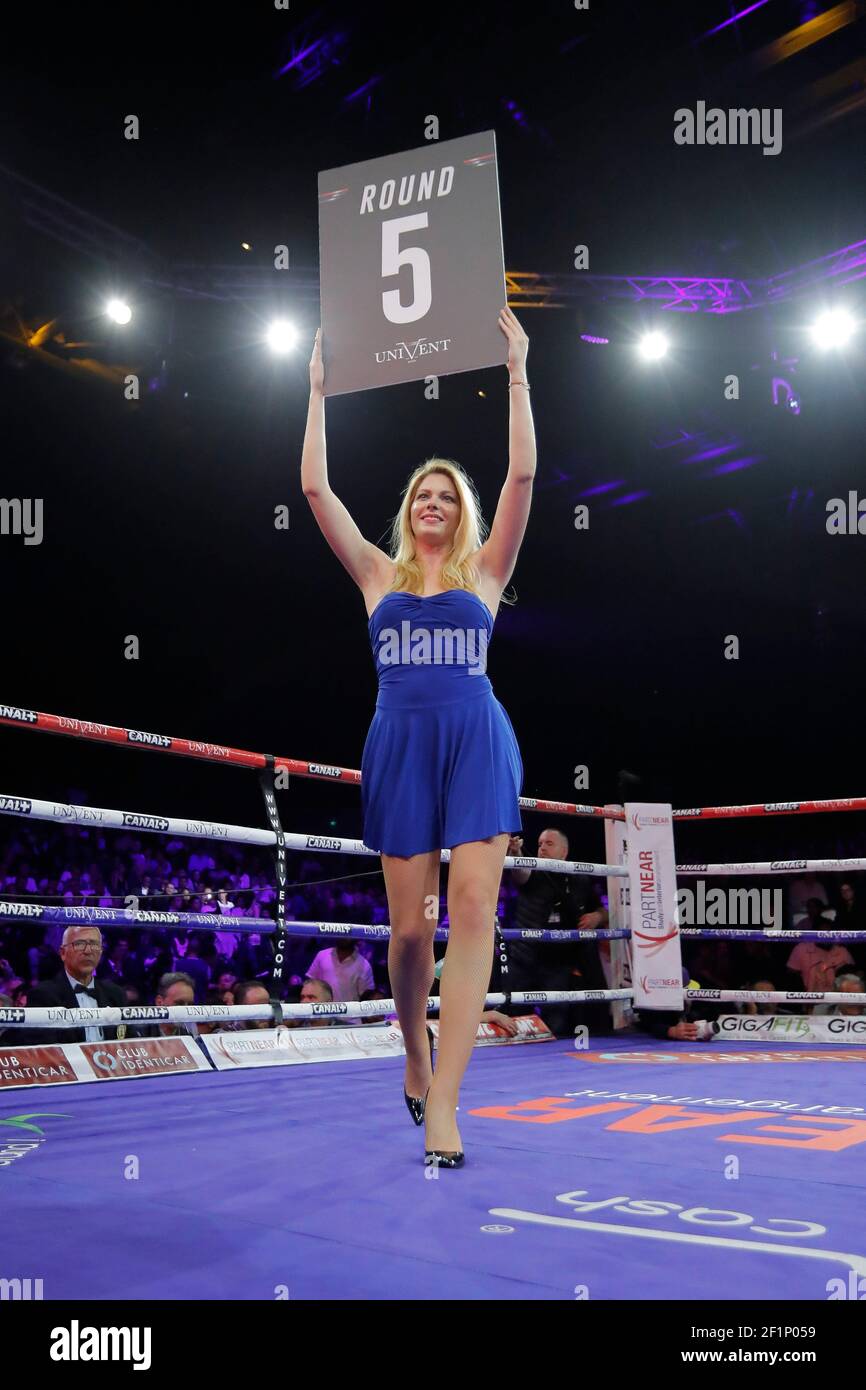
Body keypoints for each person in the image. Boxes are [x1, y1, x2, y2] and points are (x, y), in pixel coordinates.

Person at [302, 307, 535, 1167]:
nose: (434, 503)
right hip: (399, 742)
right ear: (407, 511)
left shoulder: (486, 571)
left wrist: (516, 369)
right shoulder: (374, 573)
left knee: (473, 909)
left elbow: (520, 480)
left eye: (447, 495)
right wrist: (319, 391)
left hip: (476, 736)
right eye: (421, 495)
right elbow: (316, 494)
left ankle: (447, 1101)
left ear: (460, 513)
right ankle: (413, 1048)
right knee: (409, 936)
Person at [506, 828, 609, 1037]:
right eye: (540, 844)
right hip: (524, 955)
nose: (542, 848)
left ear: (564, 851)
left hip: (558, 961)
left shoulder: (579, 879)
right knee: (514, 1015)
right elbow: (520, 873)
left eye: (549, 844)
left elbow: (601, 910)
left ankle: (554, 1065)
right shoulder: (533, 869)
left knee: (556, 1020)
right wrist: (515, 854)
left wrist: (596, 918)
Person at [13, 926, 128, 1046]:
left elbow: (127, 1042)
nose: (88, 951)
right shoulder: (42, 995)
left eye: (94, 944)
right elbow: (41, 1049)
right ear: (63, 953)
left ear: (100, 952)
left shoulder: (116, 993)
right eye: (79, 944)